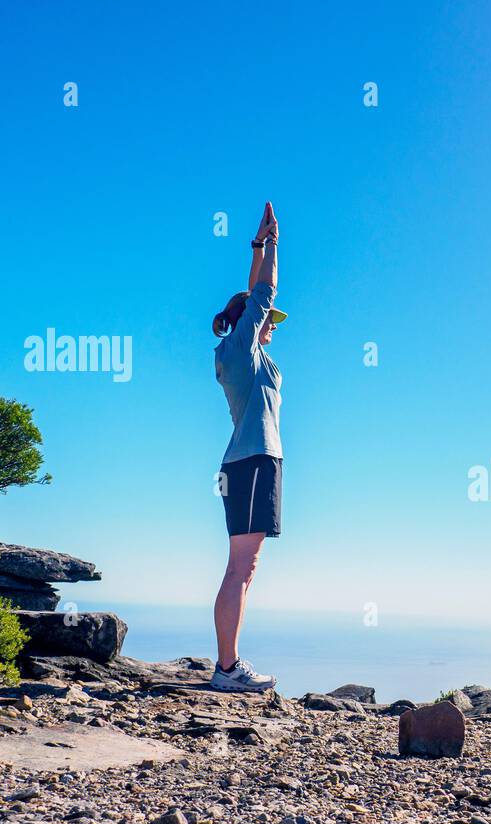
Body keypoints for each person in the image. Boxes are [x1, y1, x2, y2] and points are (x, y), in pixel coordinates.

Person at [208, 202, 286, 691]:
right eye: (266, 318)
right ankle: (228, 669)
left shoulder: (243, 355)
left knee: (244, 567)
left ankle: (228, 665)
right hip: (252, 462)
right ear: (247, 322)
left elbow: (257, 295)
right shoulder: (241, 350)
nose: (273, 323)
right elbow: (263, 290)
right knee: (241, 567)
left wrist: (255, 248)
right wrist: (271, 246)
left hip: (248, 463)